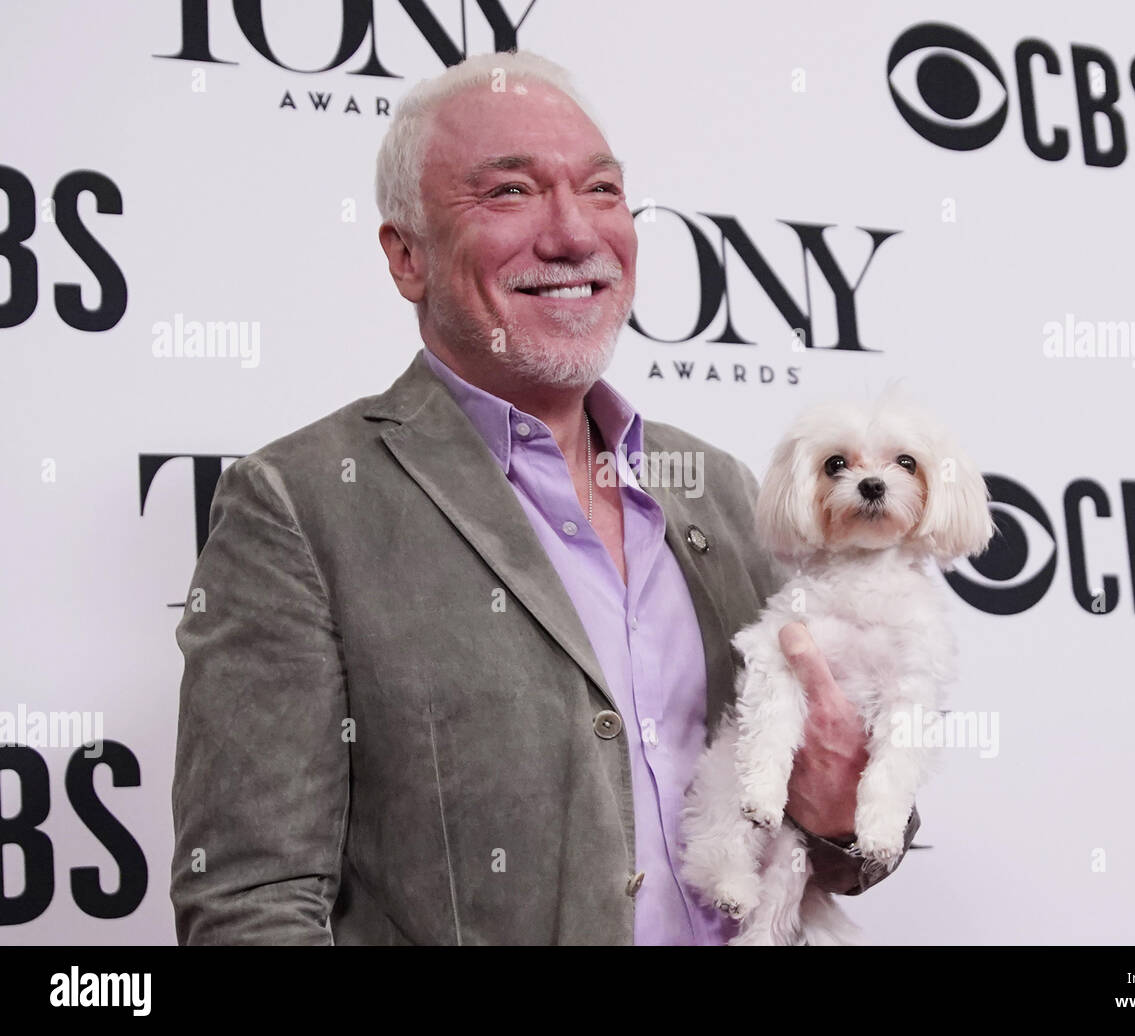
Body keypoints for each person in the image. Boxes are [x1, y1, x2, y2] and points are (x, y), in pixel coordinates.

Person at [169, 49, 918, 946]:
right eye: (510, 193)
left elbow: (845, 841)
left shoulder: (718, 487)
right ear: (407, 255)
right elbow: (250, 903)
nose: (573, 234)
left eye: (602, 190)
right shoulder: (299, 505)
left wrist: (846, 815)